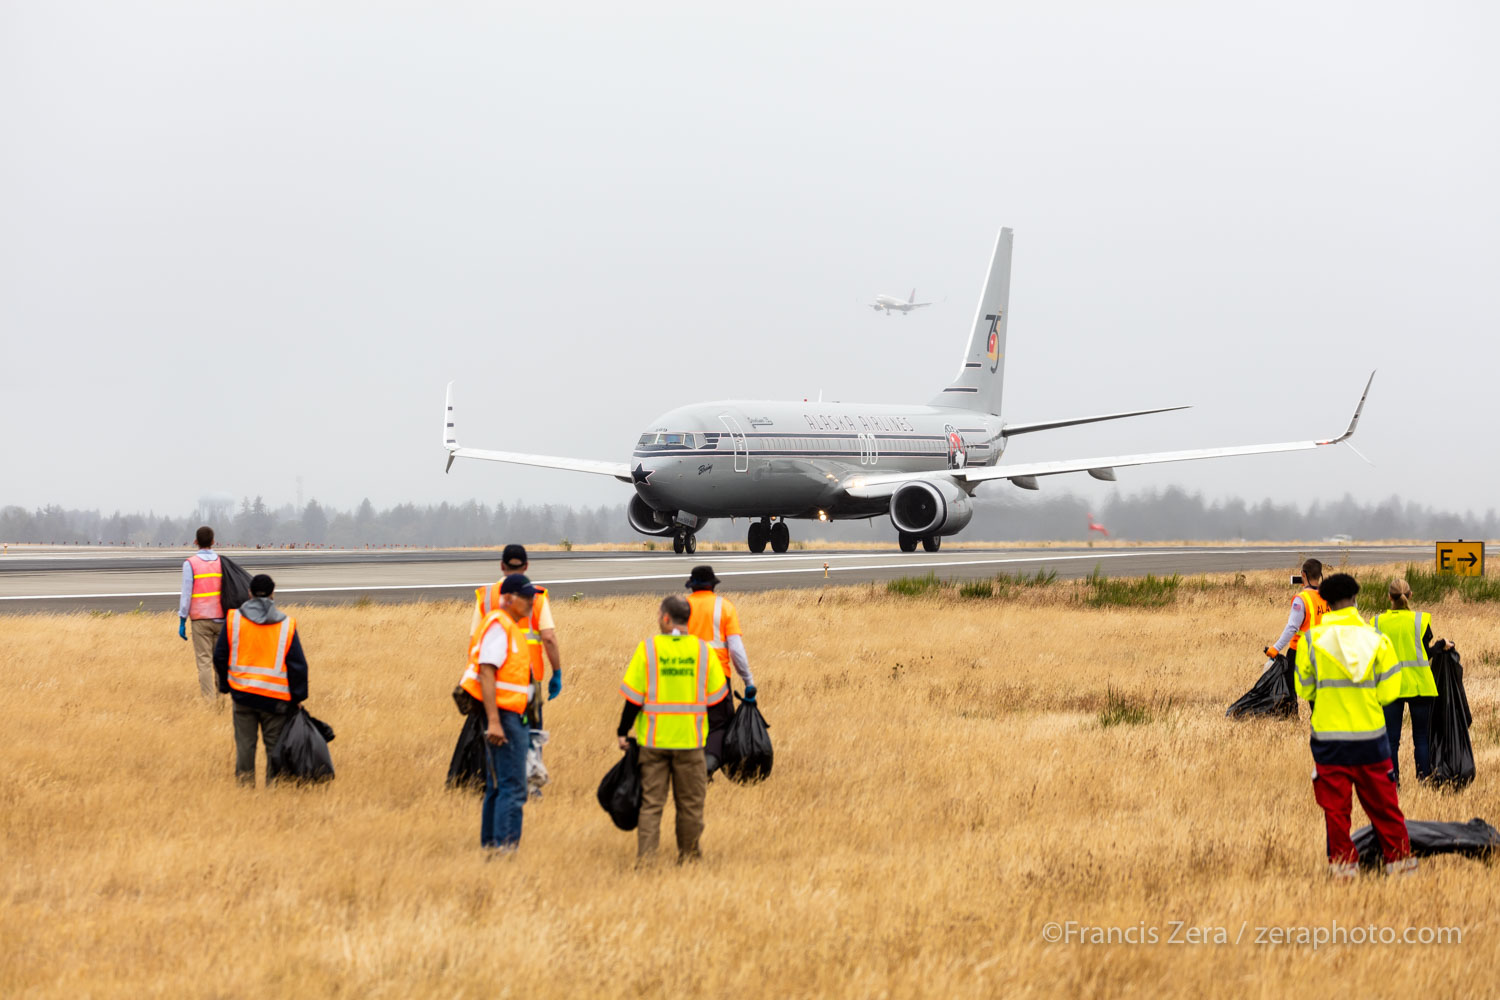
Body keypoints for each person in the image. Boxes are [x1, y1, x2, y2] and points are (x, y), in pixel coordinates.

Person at [1293, 573, 1414, 878]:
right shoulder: (1377, 640)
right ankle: (1400, 866)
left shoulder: (1311, 641)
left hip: (1329, 741)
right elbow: (1389, 692)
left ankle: (1344, 870)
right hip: (1371, 739)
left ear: (1327, 603)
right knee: (1385, 808)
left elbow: (1304, 689)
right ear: (1355, 599)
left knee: (1336, 812)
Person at [618, 595, 729, 861]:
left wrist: (623, 731)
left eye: (659, 614)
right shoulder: (704, 651)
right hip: (691, 742)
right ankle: (689, 858)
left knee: (651, 805)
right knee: (690, 805)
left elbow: (633, 700)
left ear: (666, 619)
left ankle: (646, 862)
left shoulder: (648, 649)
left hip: (653, 742)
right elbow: (718, 702)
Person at [460, 573, 536, 853]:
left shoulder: (509, 626)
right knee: (512, 787)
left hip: (509, 715)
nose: (530, 602)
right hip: (504, 717)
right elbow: (486, 671)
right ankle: (505, 849)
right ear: (507, 598)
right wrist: (494, 721)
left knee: (498, 785)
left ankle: (492, 847)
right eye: (525, 597)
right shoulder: (499, 625)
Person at [212, 574, 308, 786]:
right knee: (274, 747)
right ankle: (274, 789)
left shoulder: (234, 620)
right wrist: (297, 698)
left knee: (245, 747)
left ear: (249, 593)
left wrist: (226, 686)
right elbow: (298, 665)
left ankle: (245, 789)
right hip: (275, 698)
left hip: (243, 694)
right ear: (273, 594)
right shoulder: (286, 624)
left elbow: (219, 656)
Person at [471, 544, 562, 726]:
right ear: (526, 566)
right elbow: (549, 638)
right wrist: (556, 672)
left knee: (493, 733)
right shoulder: (537, 596)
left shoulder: (486, 596)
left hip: (493, 680)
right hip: (528, 679)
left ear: (502, 565)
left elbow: (474, 640)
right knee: (530, 735)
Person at [1373, 578, 1447, 787]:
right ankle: (1424, 780)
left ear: (1389, 597)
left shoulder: (1377, 623)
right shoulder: (1420, 620)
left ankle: (1393, 783)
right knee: (1421, 738)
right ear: (1410, 595)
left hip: (1391, 687)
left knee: (1391, 740)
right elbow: (1426, 653)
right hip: (1419, 685)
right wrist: (1441, 645)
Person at [684, 565, 753, 774]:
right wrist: (748, 680)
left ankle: (691, 767)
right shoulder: (724, 607)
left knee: (689, 724)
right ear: (713, 586)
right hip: (717, 677)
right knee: (720, 725)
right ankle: (707, 766)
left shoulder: (681, 608)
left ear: (691, 586)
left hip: (686, 676)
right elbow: (737, 650)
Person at [179, 525, 226, 703]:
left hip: (200, 619)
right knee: (220, 661)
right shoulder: (222, 562)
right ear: (213, 541)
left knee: (204, 661)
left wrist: (182, 619)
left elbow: (186, 594)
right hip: (221, 617)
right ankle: (221, 700)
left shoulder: (190, 564)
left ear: (196, 541)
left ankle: (209, 702)